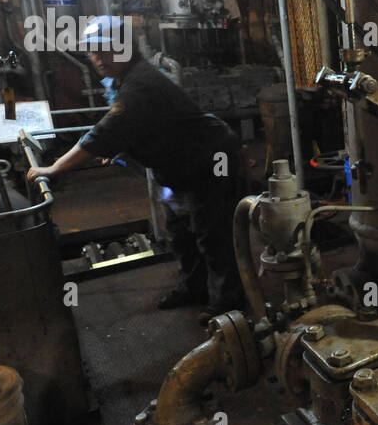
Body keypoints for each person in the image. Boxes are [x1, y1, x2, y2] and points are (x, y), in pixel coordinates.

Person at [27, 17, 246, 319]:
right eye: (92, 51)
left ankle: (228, 304)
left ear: (125, 47)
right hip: (178, 166)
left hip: (207, 162)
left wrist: (53, 169)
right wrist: (120, 146)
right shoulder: (124, 79)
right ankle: (195, 288)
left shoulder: (140, 83)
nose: (98, 58)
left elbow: (103, 133)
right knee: (181, 233)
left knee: (213, 236)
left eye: (105, 50)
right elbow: (130, 126)